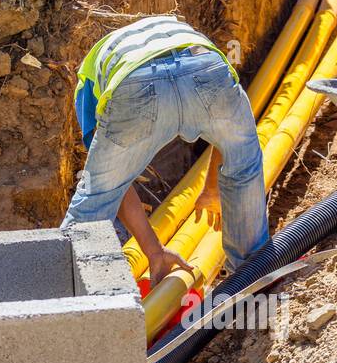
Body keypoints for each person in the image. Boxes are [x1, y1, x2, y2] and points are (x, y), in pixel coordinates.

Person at [62, 15, 269, 282]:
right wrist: (214, 188)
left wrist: (153, 251)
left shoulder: (89, 78)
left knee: (95, 199)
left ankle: (66, 302)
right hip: (205, 64)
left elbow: (115, 186)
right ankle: (253, 278)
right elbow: (229, 139)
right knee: (244, 167)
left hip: (134, 80)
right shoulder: (172, 28)